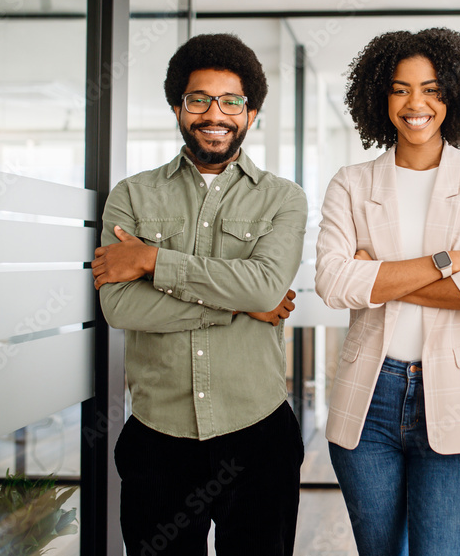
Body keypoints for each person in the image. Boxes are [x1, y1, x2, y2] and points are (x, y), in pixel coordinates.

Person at [315, 27, 460, 555]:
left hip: (452, 394)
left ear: (455, 95)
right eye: (400, 88)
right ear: (378, 96)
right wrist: (448, 264)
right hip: (370, 398)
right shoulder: (351, 183)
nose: (416, 103)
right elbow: (334, 282)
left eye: (432, 89)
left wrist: (382, 276)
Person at [91, 33, 307, 556]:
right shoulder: (131, 195)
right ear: (177, 108)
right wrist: (245, 306)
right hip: (157, 436)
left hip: (257, 432)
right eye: (199, 100)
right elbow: (120, 307)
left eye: (231, 101)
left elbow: (266, 285)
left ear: (251, 113)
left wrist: (152, 261)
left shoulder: (284, 198)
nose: (216, 114)